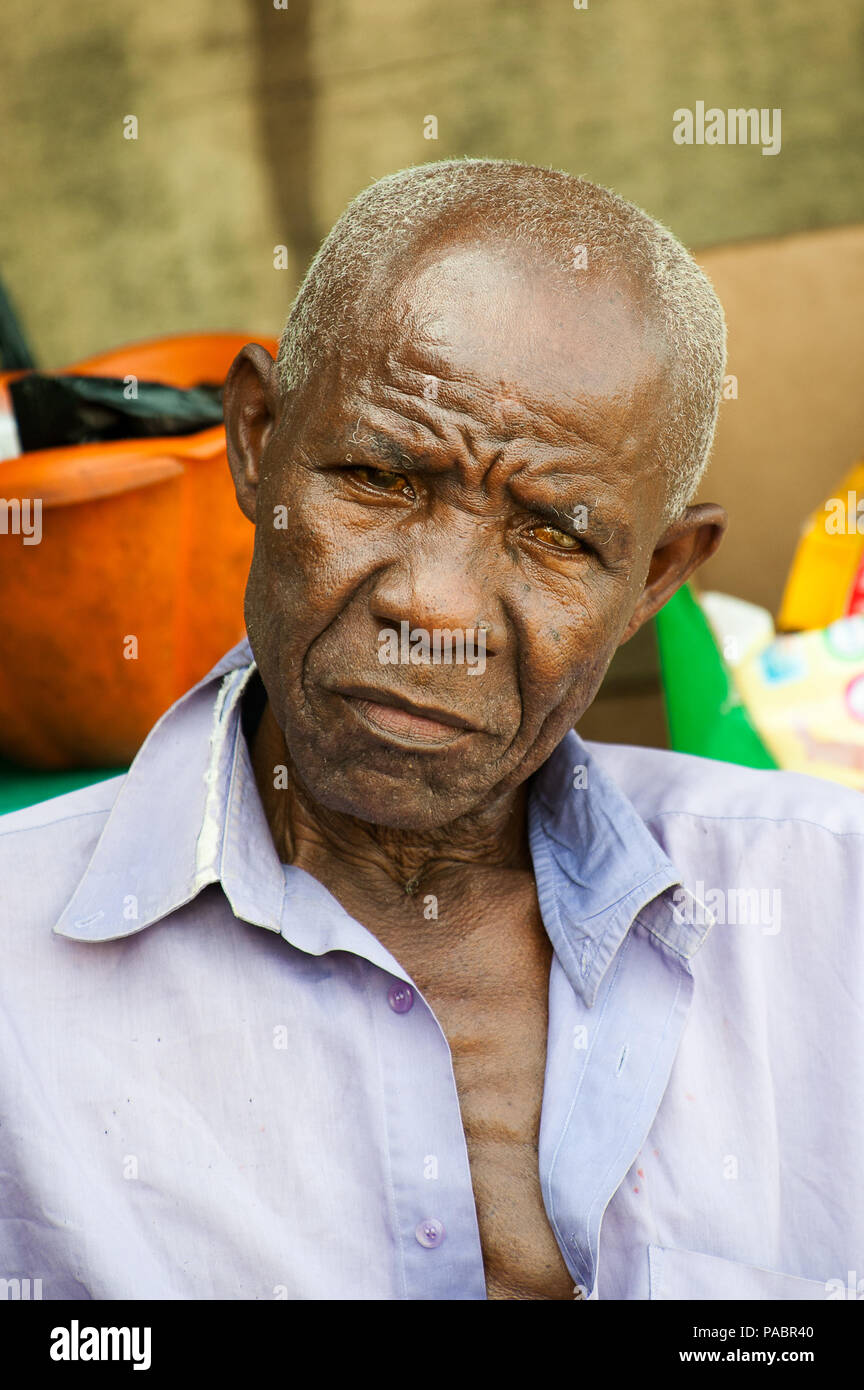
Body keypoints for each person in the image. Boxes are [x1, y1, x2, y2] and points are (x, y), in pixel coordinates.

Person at [1, 159, 862, 1302]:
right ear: (254, 441)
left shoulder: (830, 914)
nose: (438, 610)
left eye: (557, 533)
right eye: (377, 475)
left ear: (655, 576)